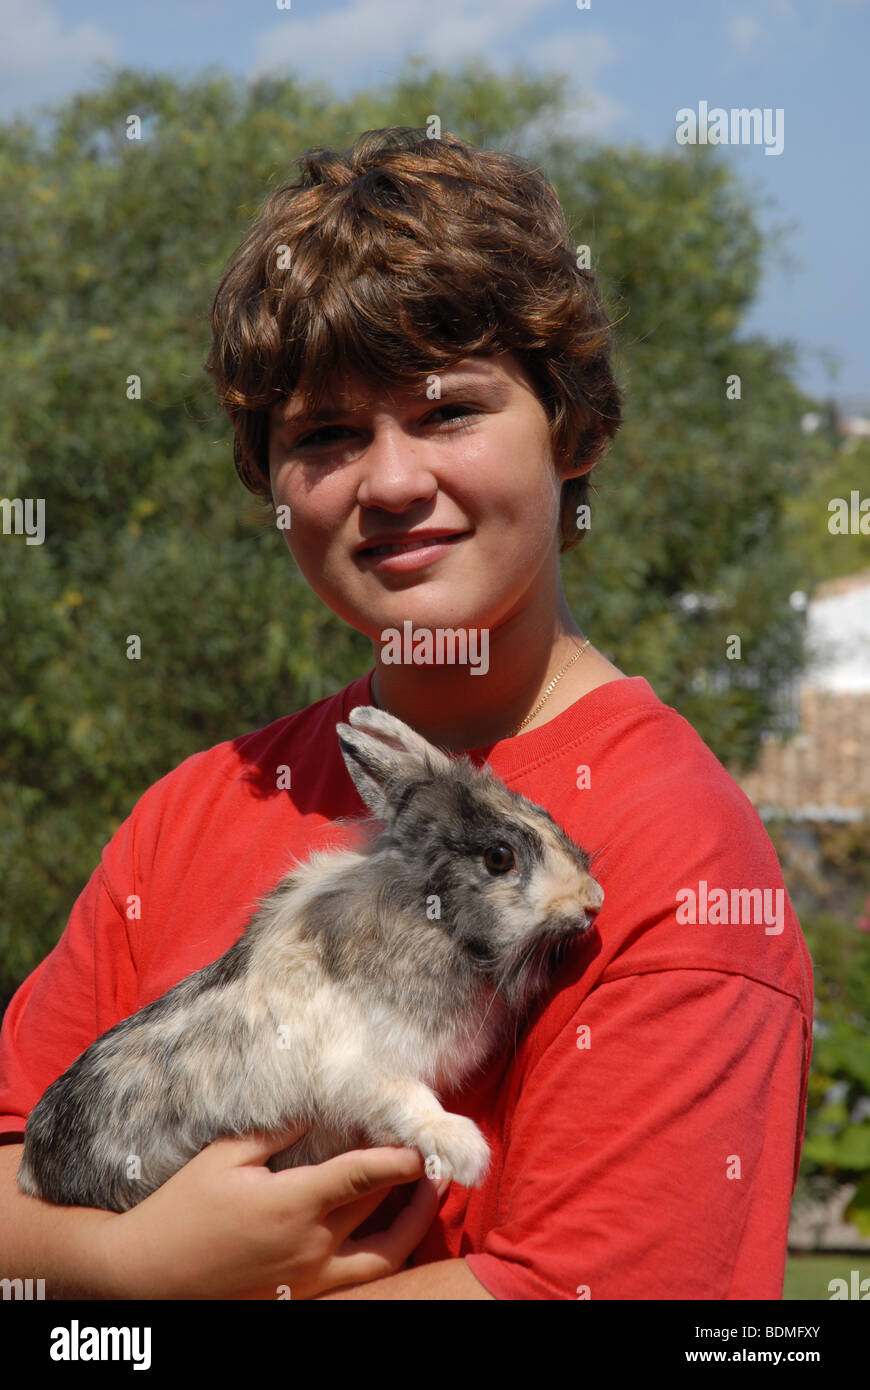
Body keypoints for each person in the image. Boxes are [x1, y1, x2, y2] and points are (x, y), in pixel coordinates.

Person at [0, 127, 812, 1300]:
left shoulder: (678, 855)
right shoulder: (189, 811)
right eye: (324, 435)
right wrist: (124, 1266)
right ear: (269, 482)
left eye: (447, 413)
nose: (388, 482)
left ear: (573, 430)